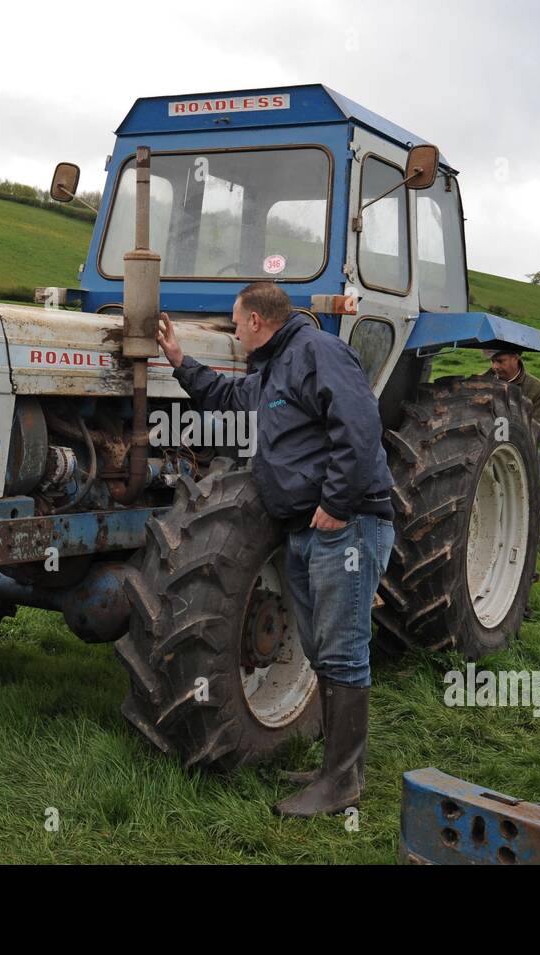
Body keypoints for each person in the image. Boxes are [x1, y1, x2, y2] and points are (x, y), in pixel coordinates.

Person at [157, 282, 394, 817]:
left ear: (258, 322)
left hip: (345, 526)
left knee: (342, 652)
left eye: (237, 323)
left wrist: (336, 503)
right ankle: (335, 768)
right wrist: (179, 361)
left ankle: (343, 784)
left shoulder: (318, 352)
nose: (235, 333)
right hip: (307, 529)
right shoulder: (272, 370)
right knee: (320, 648)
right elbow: (230, 400)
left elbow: (359, 426)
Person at [482, 347, 540, 433]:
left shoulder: (536, 389)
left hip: (518, 444)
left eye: (500, 361)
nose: (495, 366)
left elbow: (538, 431)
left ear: (516, 358)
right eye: (492, 361)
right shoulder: (480, 382)